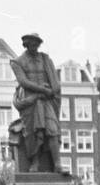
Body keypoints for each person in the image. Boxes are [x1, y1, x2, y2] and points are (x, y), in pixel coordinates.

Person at [9, 33, 63, 173]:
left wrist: (51, 91)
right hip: (30, 102)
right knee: (33, 132)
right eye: (33, 45)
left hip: (46, 100)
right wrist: (41, 91)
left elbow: (56, 83)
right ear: (26, 45)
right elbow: (23, 82)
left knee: (53, 129)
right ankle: (35, 162)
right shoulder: (17, 62)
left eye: (37, 45)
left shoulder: (46, 59)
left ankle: (57, 164)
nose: (36, 48)